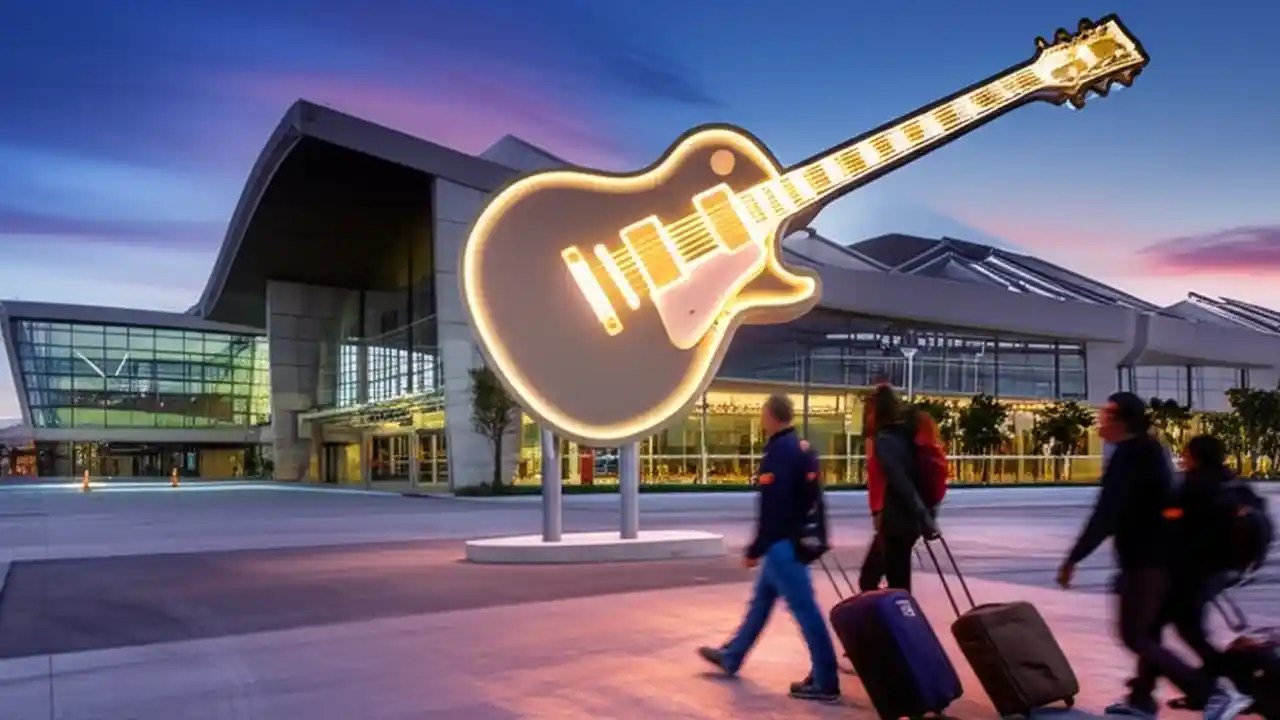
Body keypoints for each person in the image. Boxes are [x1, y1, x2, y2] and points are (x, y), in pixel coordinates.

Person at [1057, 393, 1248, 720]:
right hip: (1160, 558)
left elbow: (1107, 512)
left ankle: (1209, 692)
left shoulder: (1131, 455)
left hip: (1147, 560)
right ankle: (1143, 700)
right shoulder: (1149, 450)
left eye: (1105, 414)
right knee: (1151, 631)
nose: (1100, 420)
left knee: (1134, 634)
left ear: (1120, 418)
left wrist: (1074, 558)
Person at [698, 393, 841, 703]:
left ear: (771, 417)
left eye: (763, 414)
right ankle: (732, 655)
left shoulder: (779, 452)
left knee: (805, 611)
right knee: (761, 602)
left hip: (782, 546)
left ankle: (826, 679)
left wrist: (756, 548)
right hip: (796, 540)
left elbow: (772, 508)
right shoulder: (803, 449)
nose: (761, 419)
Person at [1160, 435, 1248, 713]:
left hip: (1197, 570)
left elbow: (1171, 521)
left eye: (1186, 454)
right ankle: (1206, 689)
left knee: (1185, 629)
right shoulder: (1231, 481)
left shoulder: (1194, 484)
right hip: (1226, 567)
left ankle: (1229, 687)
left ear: (1196, 456)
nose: (1183, 459)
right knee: (1188, 629)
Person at [857, 385, 939, 594]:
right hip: (905, 522)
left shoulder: (885, 440)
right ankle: (896, 622)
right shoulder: (903, 435)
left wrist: (923, 517)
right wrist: (926, 516)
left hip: (896, 522)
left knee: (882, 582)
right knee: (894, 582)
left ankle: (898, 624)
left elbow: (900, 481)